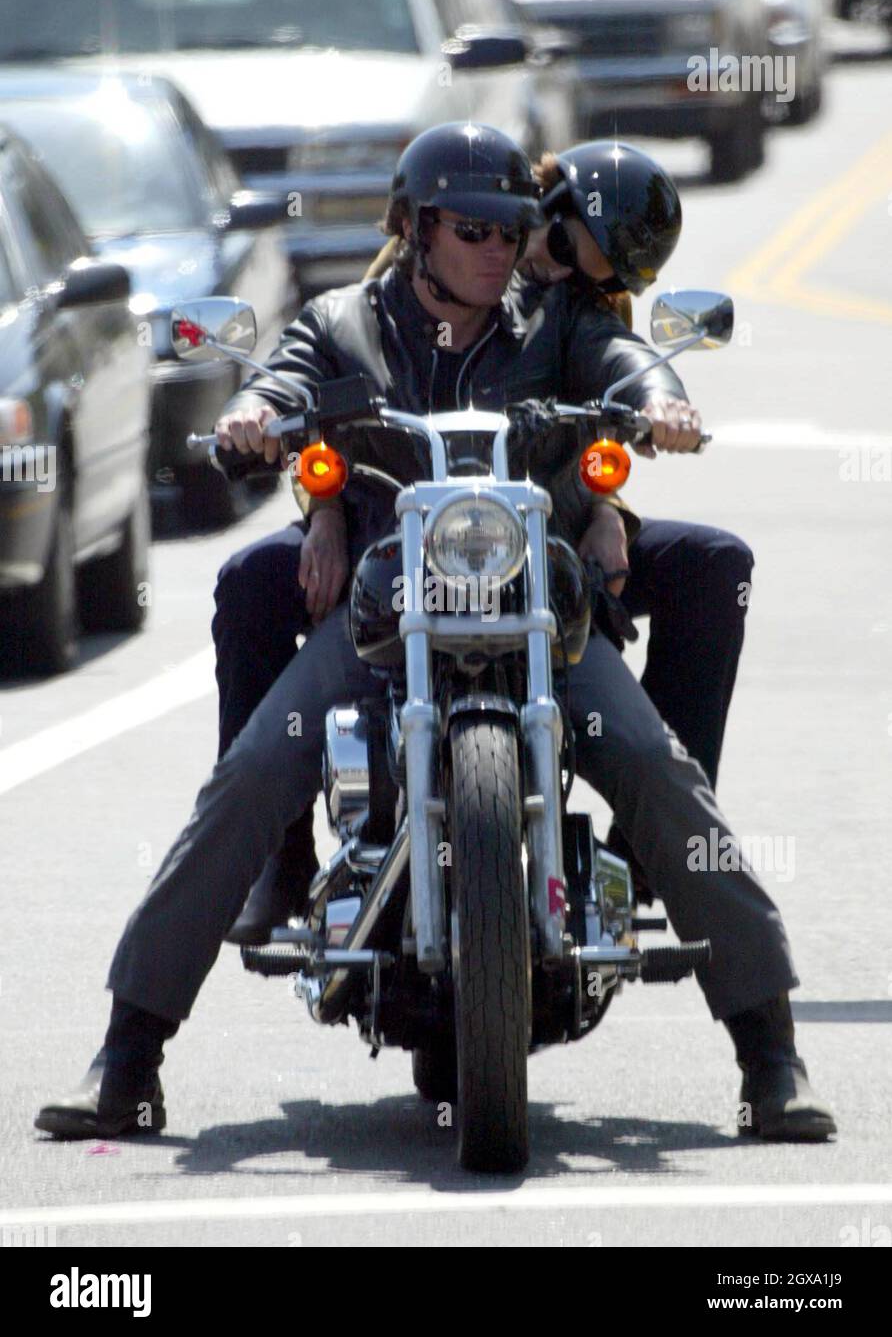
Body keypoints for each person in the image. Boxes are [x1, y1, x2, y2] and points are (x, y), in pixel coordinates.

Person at [34, 123, 834, 1145]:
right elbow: (279, 381)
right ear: (413, 228)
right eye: (472, 230)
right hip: (386, 614)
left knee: (653, 761)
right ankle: (127, 1059)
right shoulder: (341, 322)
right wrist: (253, 417)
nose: (497, 250)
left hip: (541, 613)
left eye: (509, 229)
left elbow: (628, 360)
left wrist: (661, 403)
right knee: (246, 777)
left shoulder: (551, 319)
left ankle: (769, 1054)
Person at [222, 140, 752, 941]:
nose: (561, 269)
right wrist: (324, 517)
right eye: (563, 245)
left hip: (550, 540)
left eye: (607, 277)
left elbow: (614, 401)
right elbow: (334, 408)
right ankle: (279, 853)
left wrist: (610, 505)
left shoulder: (581, 311)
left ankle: (652, 848)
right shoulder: (398, 288)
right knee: (252, 582)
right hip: (401, 532)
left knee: (715, 568)